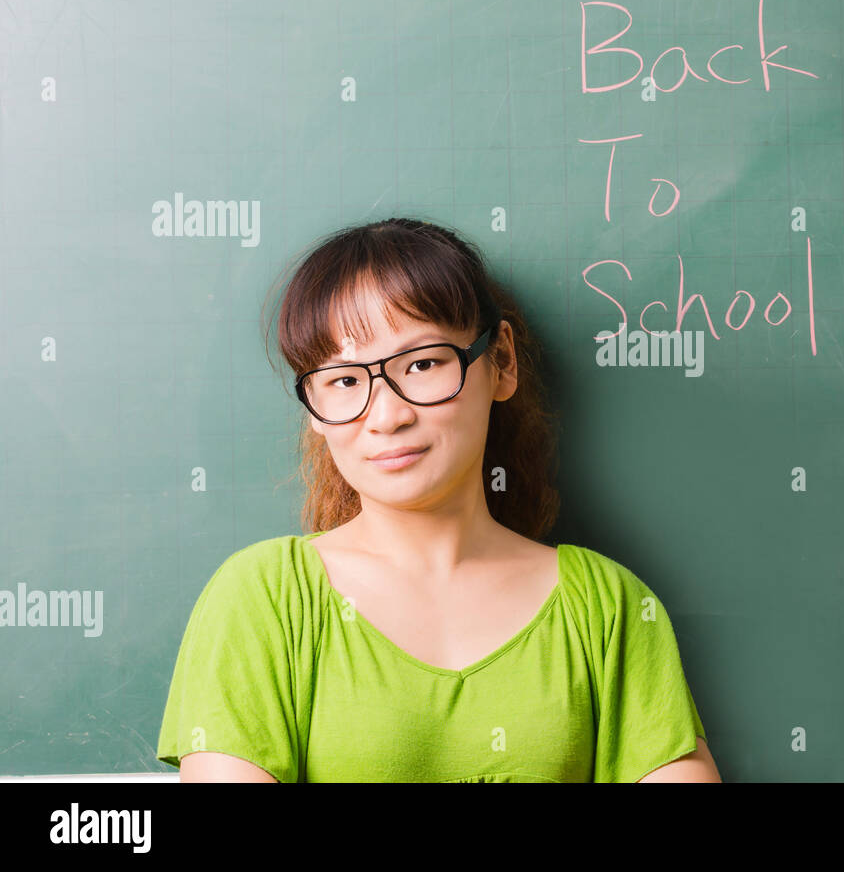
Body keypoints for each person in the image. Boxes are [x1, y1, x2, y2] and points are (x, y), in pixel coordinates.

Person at [154, 218, 720, 782]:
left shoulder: (608, 606)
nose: (387, 416)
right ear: (313, 407)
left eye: (422, 363)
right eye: (345, 381)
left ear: (501, 361)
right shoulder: (265, 599)